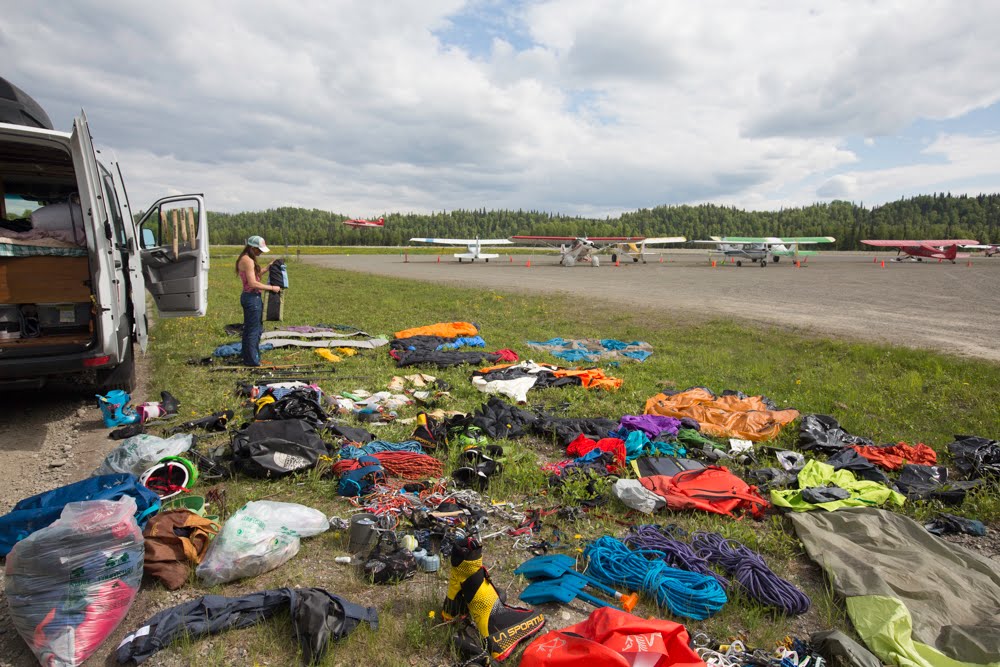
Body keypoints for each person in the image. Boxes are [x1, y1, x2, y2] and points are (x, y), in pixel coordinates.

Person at [236, 236, 279, 366]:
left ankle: (250, 357)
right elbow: (253, 283)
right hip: (251, 298)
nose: (260, 253)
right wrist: (272, 288)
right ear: (252, 248)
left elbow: (256, 275)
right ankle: (252, 362)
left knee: (254, 329)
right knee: (253, 331)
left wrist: (267, 267)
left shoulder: (247, 258)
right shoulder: (247, 260)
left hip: (252, 298)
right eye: (259, 250)